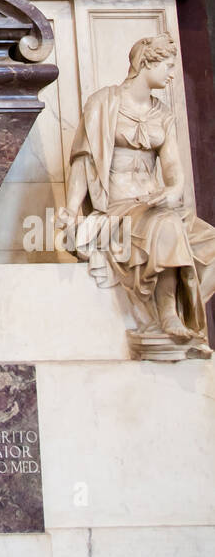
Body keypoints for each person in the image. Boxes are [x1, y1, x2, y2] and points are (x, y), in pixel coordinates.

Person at [58, 34, 215, 358]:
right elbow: (84, 162)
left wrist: (172, 191)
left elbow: (173, 170)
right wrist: (72, 211)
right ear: (148, 62)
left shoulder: (163, 115)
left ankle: (186, 319)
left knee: (210, 244)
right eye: (169, 66)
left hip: (156, 203)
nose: (172, 74)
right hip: (118, 208)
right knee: (166, 225)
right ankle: (167, 313)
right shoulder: (104, 103)